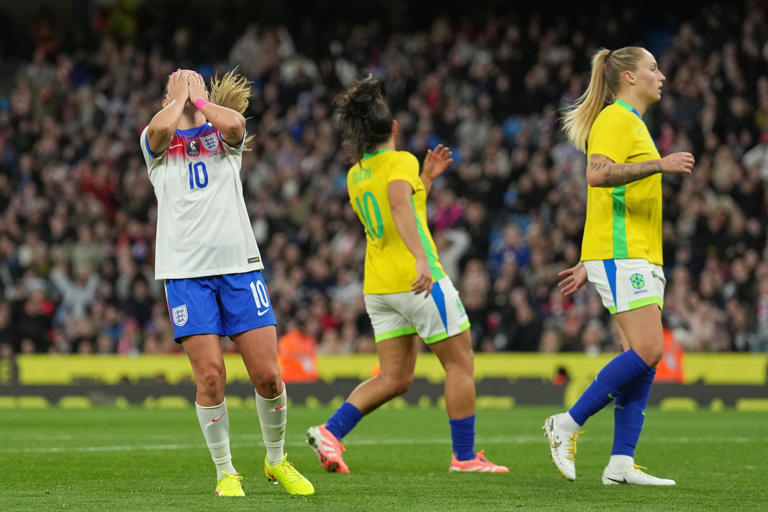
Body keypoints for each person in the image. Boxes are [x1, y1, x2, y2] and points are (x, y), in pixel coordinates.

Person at [306, 75, 508, 474]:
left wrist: (426, 181)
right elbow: (400, 210)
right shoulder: (401, 161)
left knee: (396, 377)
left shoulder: (356, 174)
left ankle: (331, 432)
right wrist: (421, 259)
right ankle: (465, 457)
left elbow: (398, 208)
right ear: (394, 128)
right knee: (460, 363)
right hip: (417, 278)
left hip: (379, 287)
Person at [139, 69, 313, 496]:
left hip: (239, 267)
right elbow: (159, 128)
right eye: (172, 94)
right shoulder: (156, 145)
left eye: (186, 92)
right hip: (185, 275)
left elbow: (235, 124)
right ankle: (225, 471)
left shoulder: (224, 136)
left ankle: (276, 461)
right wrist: (178, 100)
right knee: (212, 377)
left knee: (269, 375)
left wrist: (198, 101)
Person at [544, 47, 695, 485]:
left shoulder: (632, 123)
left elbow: (605, 199)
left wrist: (588, 259)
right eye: (654, 68)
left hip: (636, 253)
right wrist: (659, 165)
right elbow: (596, 174)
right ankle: (566, 423)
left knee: (643, 359)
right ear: (629, 76)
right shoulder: (615, 119)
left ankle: (620, 465)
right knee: (650, 351)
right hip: (624, 254)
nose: (661, 75)